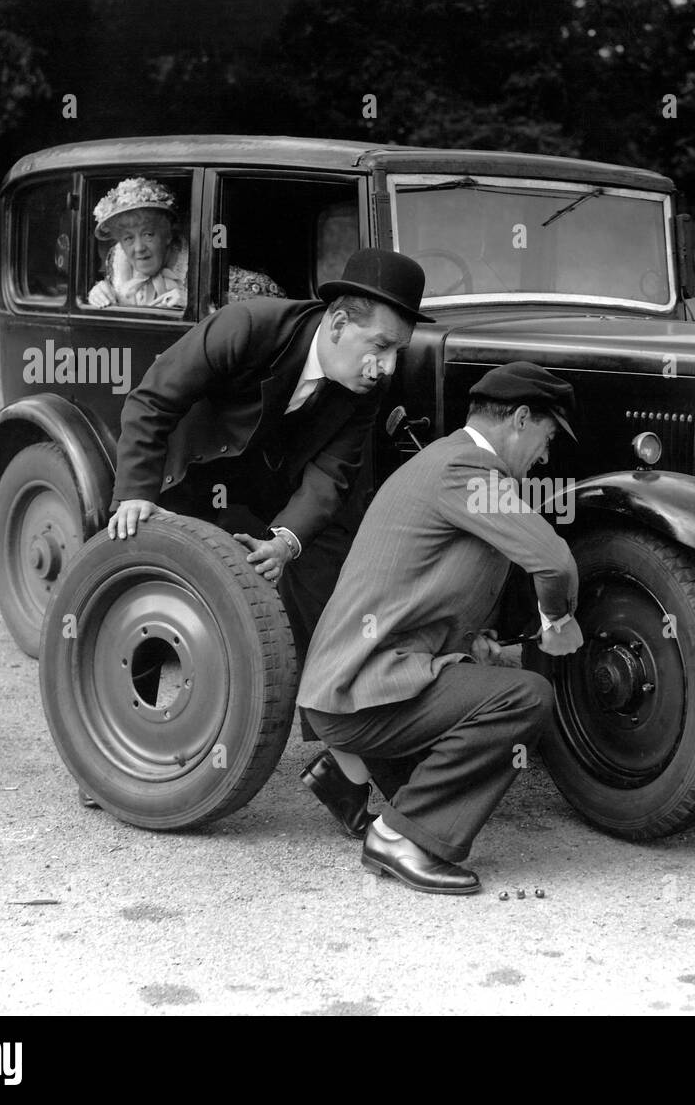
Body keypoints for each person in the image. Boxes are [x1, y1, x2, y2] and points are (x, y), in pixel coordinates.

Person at [298, 362, 584, 895]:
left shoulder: (442, 462)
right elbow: (553, 561)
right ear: (521, 418)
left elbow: (428, 596)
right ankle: (402, 839)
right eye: (546, 437)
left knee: (477, 723)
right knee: (525, 698)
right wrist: (558, 621)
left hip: (357, 682)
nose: (546, 456)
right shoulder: (467, 472)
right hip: (360, 689)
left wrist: (483, 650)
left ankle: (347, 774)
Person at [105, 247, 431, 663]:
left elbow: (332, 472)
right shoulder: (247, 325)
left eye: (396, 353)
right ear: (339, 324)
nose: (386, 367)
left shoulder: (370, 382)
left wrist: (286, 541)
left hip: (273, 495)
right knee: (148, 590)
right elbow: (152, 401)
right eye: (381, 346)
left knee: (326, 564)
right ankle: (130, 706)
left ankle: (324, 712)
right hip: (192, 476)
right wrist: (136, 493)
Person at [87, 178, 188, 309]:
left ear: (167, 235)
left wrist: (190, 302)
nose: (139, 248)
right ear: (121, 245)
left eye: (148, 235)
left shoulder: (191, 266)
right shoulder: (118, 271)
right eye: (128, 238)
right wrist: (99, 294)